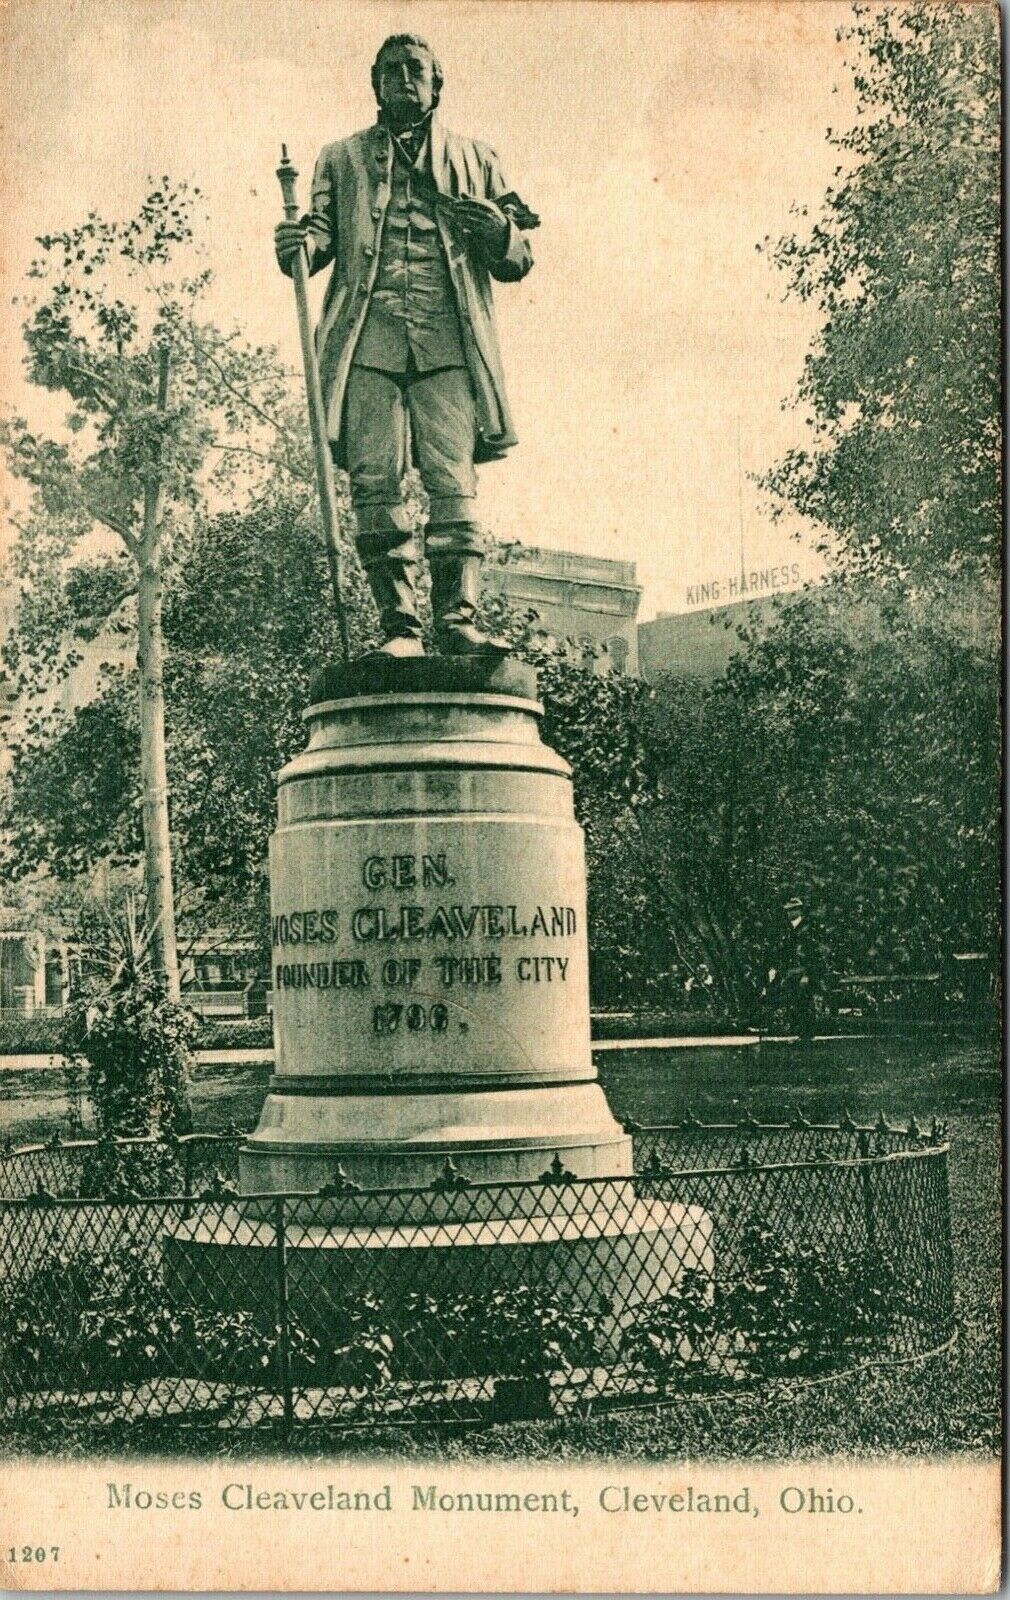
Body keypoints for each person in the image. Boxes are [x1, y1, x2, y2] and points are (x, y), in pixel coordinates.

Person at [275, 34, 535, 657]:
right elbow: (318, 238)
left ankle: (458, 621)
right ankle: (399, 629)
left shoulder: (479, 158)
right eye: (391, 71)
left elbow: (519, 259)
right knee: (375, 484)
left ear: (436, 84)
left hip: (449, 342)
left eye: (415, 70)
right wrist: (297, 248)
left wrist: (499, 231)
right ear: (376, 84)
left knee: (453, 481)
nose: (404, 79)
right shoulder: (339, 159)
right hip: (368, 344)